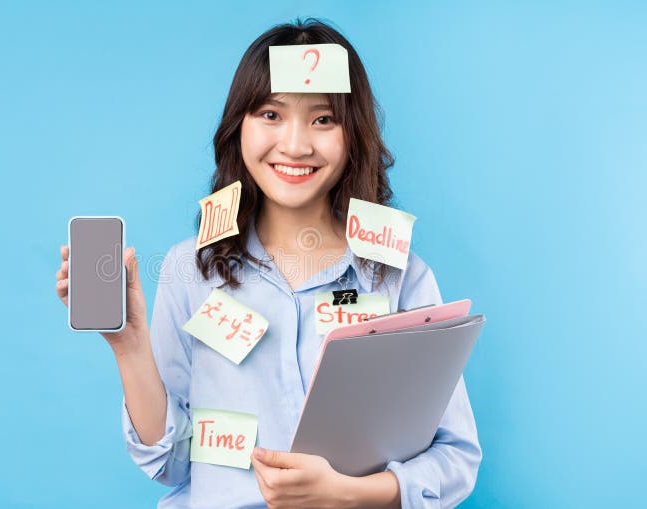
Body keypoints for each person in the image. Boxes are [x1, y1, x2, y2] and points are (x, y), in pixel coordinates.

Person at [56, 18, 480, 509]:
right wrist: (129, 346)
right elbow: (170, 463)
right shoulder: (189, 270)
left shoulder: (398, 276)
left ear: (353, 136)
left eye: (323, 119)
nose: (296, 145)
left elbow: (456, 459)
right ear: (240, 125)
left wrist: (349, 495)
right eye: (271, 114)